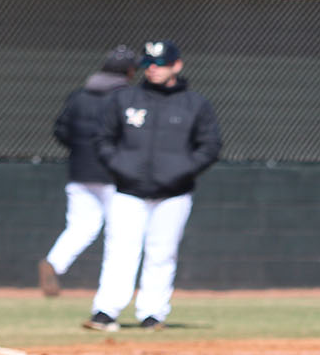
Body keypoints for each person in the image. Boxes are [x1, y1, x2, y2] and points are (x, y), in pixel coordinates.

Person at [84, 40, 221, 332]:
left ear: (177, 65)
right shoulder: (123, 99)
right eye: (149, 63)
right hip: (127, 189)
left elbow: (209, 146)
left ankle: (152, 314)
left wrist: (181, 171)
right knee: (120, 250)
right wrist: (121, 167)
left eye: (161, 63)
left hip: (174, 192)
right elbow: (102, 139)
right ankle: (106, 312)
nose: (154, 69)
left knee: (162, 253)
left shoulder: (195, 104)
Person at [39, 44, 140, 297]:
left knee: (81, 227)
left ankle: (55, 262)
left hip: (80, 170)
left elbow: (61, 131)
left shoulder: (79, 96)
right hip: (114, 174)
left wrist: (81, 151)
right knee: (119, 234)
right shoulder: (127, 99)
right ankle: (111, 293)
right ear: (129, 71)